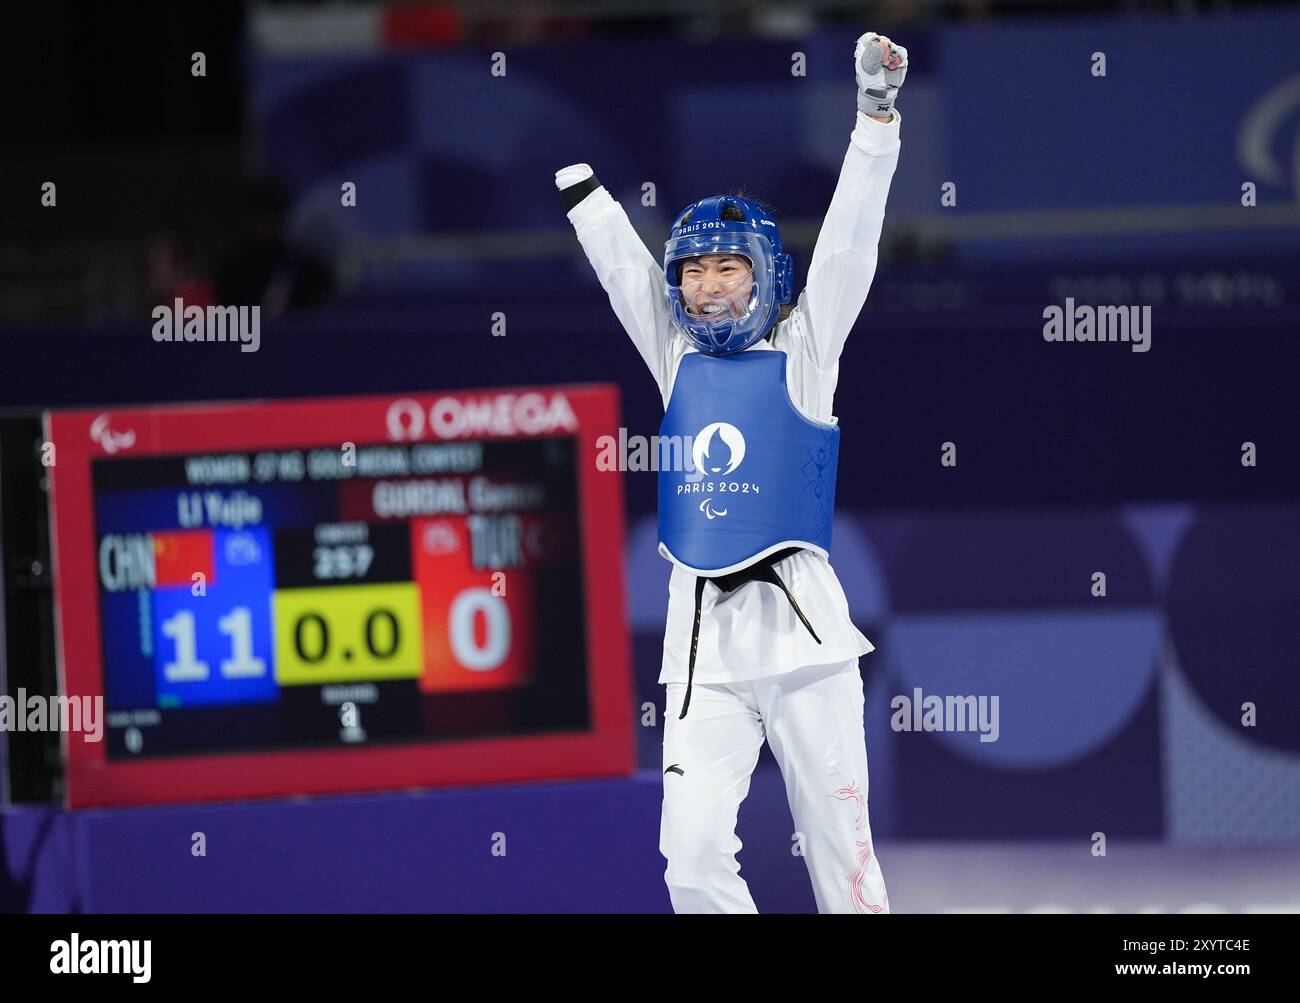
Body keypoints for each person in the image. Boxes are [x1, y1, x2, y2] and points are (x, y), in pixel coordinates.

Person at [557, 32, 907, 914]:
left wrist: (873, 118)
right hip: (701, 652)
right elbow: (624, 277)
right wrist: (589, 202)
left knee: (847, 866)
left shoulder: (807, 348)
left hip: (807, 646)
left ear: (763, 278)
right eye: (694, 270)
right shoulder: (674, 360)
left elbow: (850, 246)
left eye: (728, 267)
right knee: (691, 863)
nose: (708, 286)